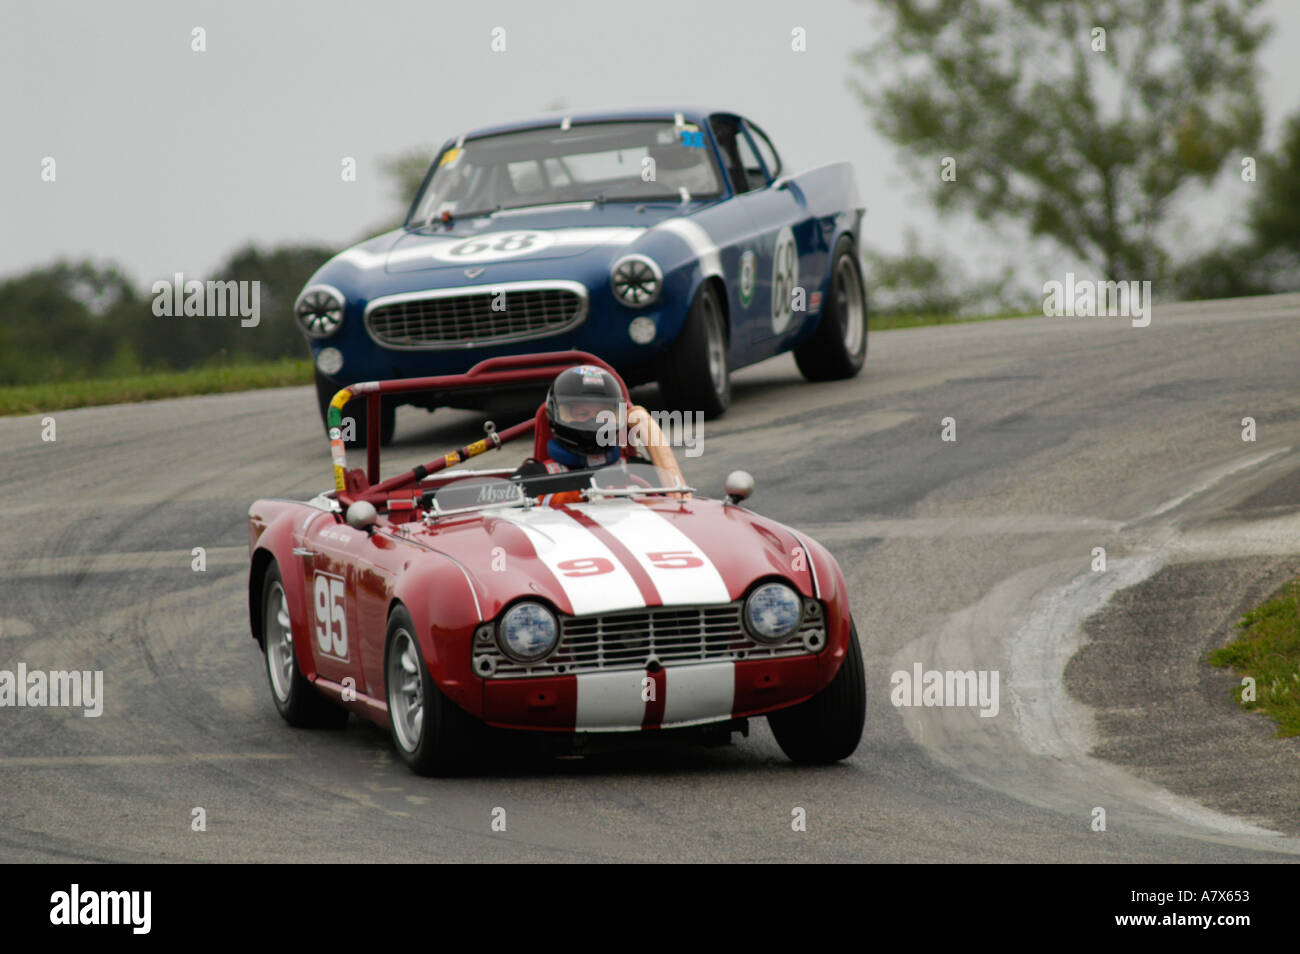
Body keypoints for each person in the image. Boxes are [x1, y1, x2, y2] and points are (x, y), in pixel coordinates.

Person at [513, 365, 635, 483]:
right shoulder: (531, 477)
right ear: (557, 414)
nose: (593, 423)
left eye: (603, 415)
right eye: (583, 414)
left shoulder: (638, 468)